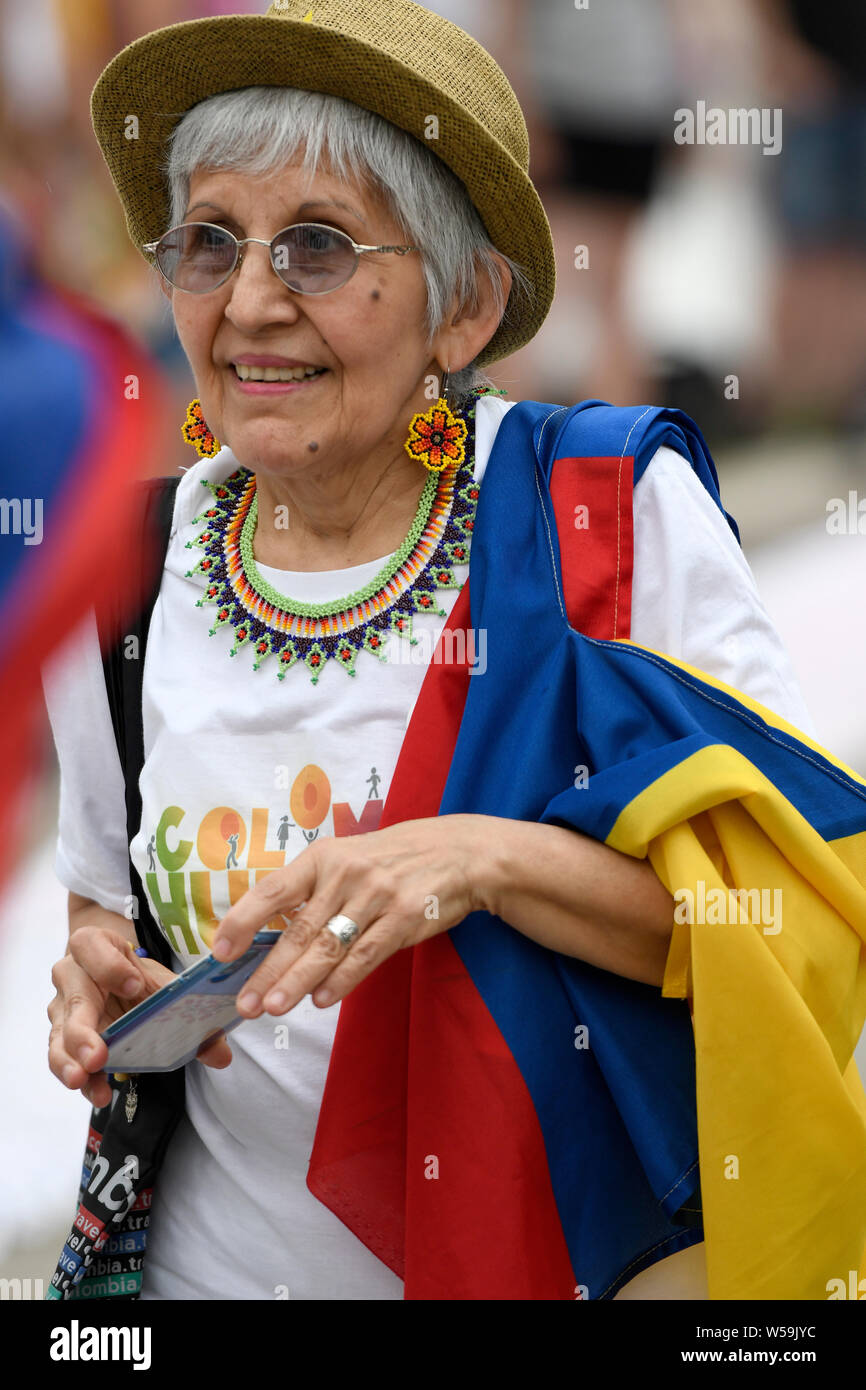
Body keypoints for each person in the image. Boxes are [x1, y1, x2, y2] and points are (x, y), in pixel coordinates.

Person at [42, 0, 865, 1302]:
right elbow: (104, 898)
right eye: (207, 243)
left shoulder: (603, 517)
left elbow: (794, 904)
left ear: (463, 307)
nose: (250, 301)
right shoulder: (120, 576)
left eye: (315, 247)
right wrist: (97, 974)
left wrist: (482, 858)